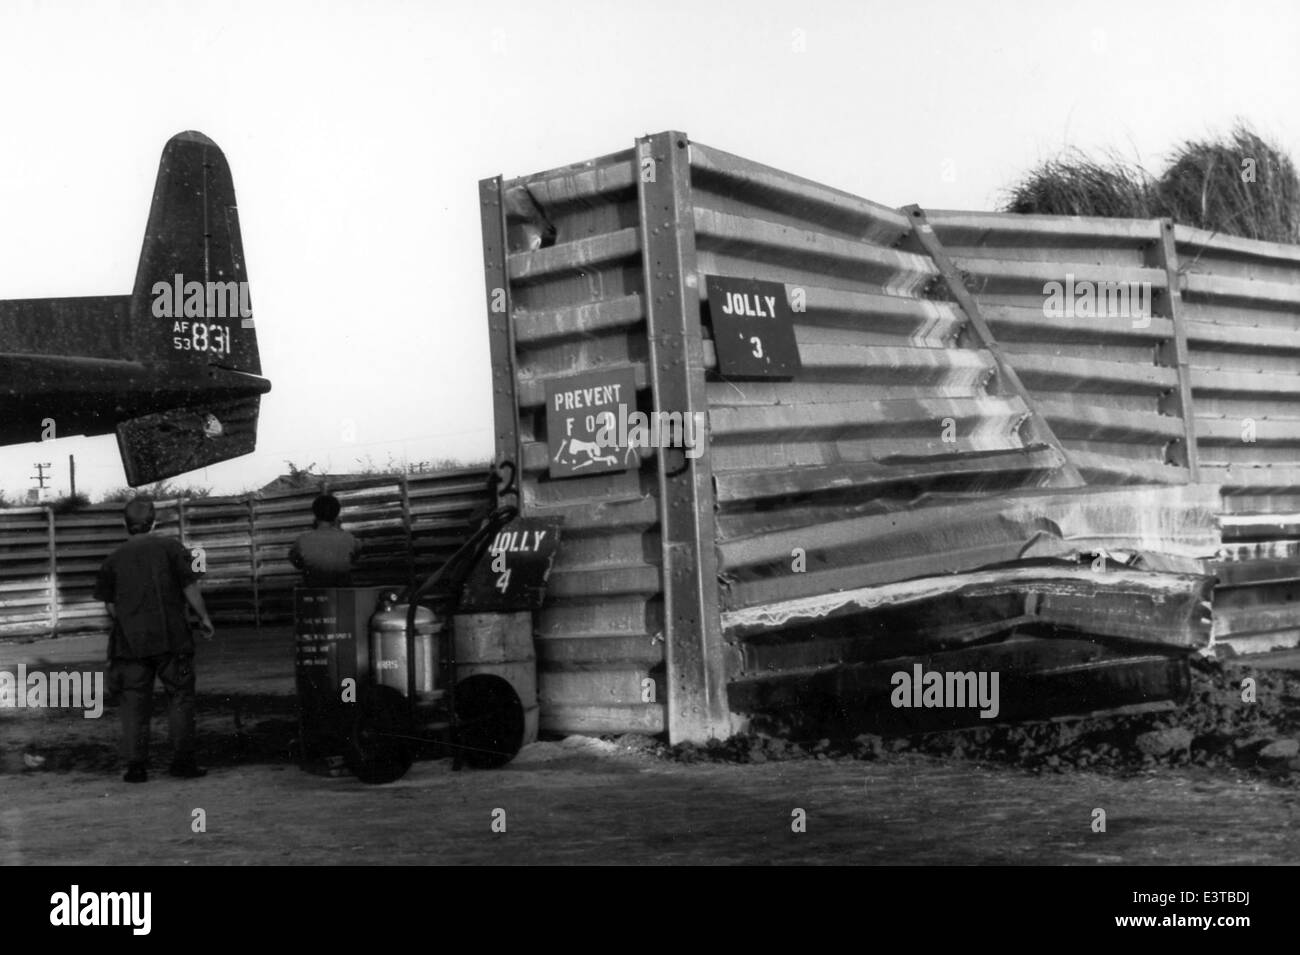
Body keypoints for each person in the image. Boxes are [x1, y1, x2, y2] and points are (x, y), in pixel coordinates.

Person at [94, 498, 214, 783]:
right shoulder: (171, 548)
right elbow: (189, 586)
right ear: (155, 521)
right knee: (180, 697)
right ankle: (182, 763)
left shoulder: (113, 559)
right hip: (172, 639)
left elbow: (110, 606)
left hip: (130, 644)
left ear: (125, 524)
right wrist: (204, 618)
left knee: (134, 702)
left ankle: (137, 767)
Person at [289, 493, 361, 586]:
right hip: (342, 595)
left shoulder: (302, 540)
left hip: (314, 594)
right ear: (336, 515)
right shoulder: (350, 539)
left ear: (315, 515)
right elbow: (353, 560)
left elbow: (297, 564)